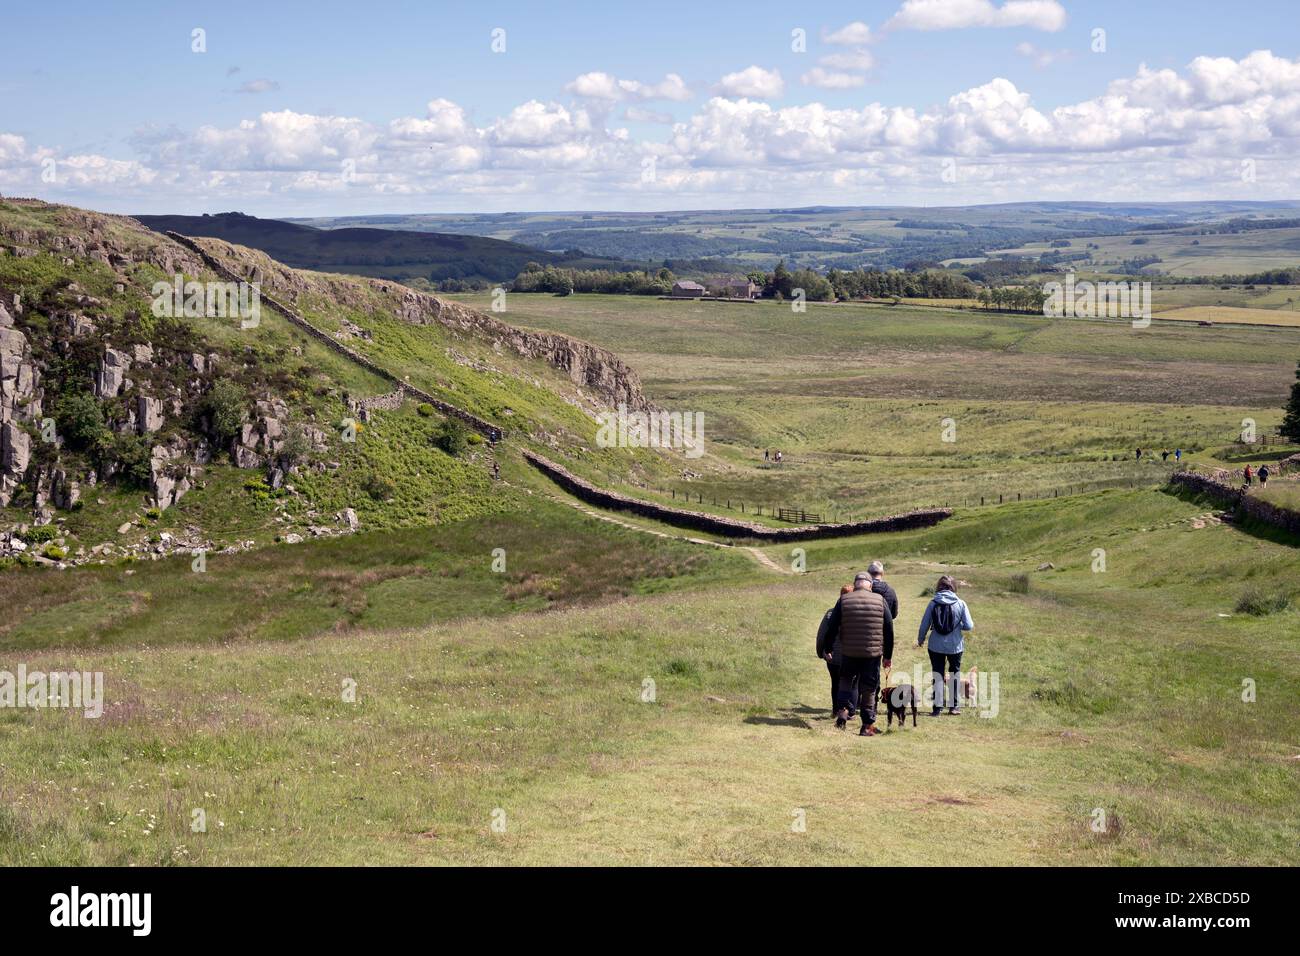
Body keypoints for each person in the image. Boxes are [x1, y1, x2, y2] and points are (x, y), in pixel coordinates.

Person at [826, 572, 894, 736]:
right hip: (872, 654)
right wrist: (888, 656)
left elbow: (833, 625)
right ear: (870, 585)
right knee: (869, 688)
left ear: (855, 584)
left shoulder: (843, 600)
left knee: (845, 680)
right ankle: (866, 726)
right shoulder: (880, 600)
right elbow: (889, 630)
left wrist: (828, 647)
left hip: (849, 652)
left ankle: (842, 711)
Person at [917, 575, 974, 716]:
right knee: (955, 673)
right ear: (954, 587)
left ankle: (937, 708)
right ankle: (954, 707)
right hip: (955, 645)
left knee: (937, 674)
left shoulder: (932, 603)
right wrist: (957, 626)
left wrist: (921, 639)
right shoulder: (961, 603)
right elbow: (969, 625)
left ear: (939, 587)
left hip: (935, 645)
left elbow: (924, 625)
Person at [815, 585, 855, 717]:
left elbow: (822, 635)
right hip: (853, 655)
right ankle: (851, 711)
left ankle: (836, 710)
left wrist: (822, 652)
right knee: (853, 684)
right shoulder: (857, 613)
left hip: (834, 656)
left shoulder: (830, 613)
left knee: (836, 683)